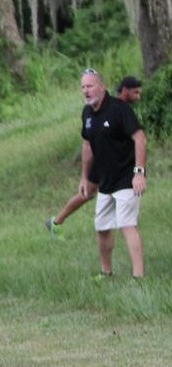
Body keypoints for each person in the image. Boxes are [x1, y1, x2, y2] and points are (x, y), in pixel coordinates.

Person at [47, 75, 142, 236]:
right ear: (125, 91)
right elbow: (90, 141)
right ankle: (56, 222)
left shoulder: (120, 108)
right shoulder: (113, 107)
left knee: (88, 194)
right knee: (87, 193)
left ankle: (57, 221)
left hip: (118, 163)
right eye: (136, 93)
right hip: (105, 162)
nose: (138, 97)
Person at [75, 69, 147, 278]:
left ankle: (138, 277)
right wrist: (85, 177)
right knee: (103, 226)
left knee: (126, 223)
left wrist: (139, 172)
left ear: (101, 87)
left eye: (89, 86)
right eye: (83, 87)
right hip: (106, 180)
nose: (86, 91)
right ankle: (106, 273)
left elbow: (140, 139)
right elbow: (87, 145)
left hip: (126, 177)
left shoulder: (119, 109)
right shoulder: (87, 113)